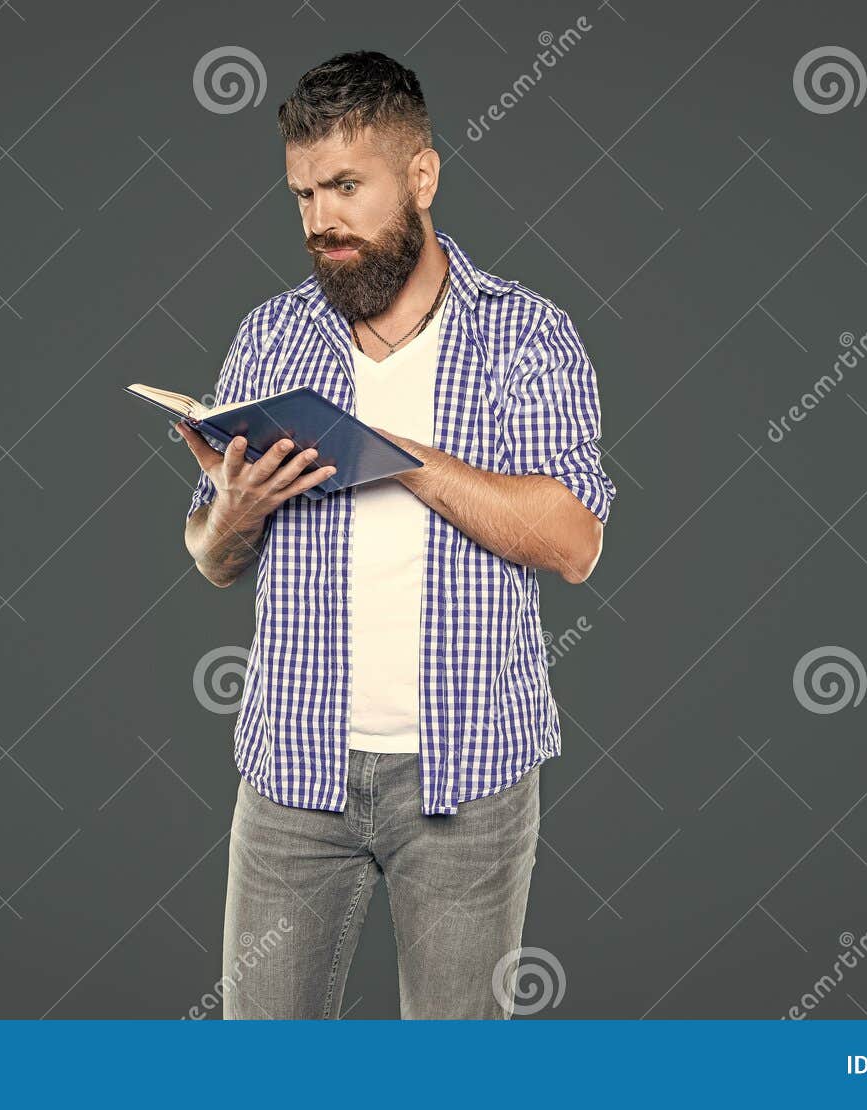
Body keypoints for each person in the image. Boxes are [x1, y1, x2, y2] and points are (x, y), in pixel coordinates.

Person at [178, 50, 617, 1019]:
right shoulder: (270, 338)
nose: (321, 220)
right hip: (292, 774)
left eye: (345, 187)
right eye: (302, 195)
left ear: (419, 177)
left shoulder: (526, 337)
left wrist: (395, 454)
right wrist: (231, 520)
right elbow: (209, 561)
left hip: (468, 781)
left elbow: (573, 541)